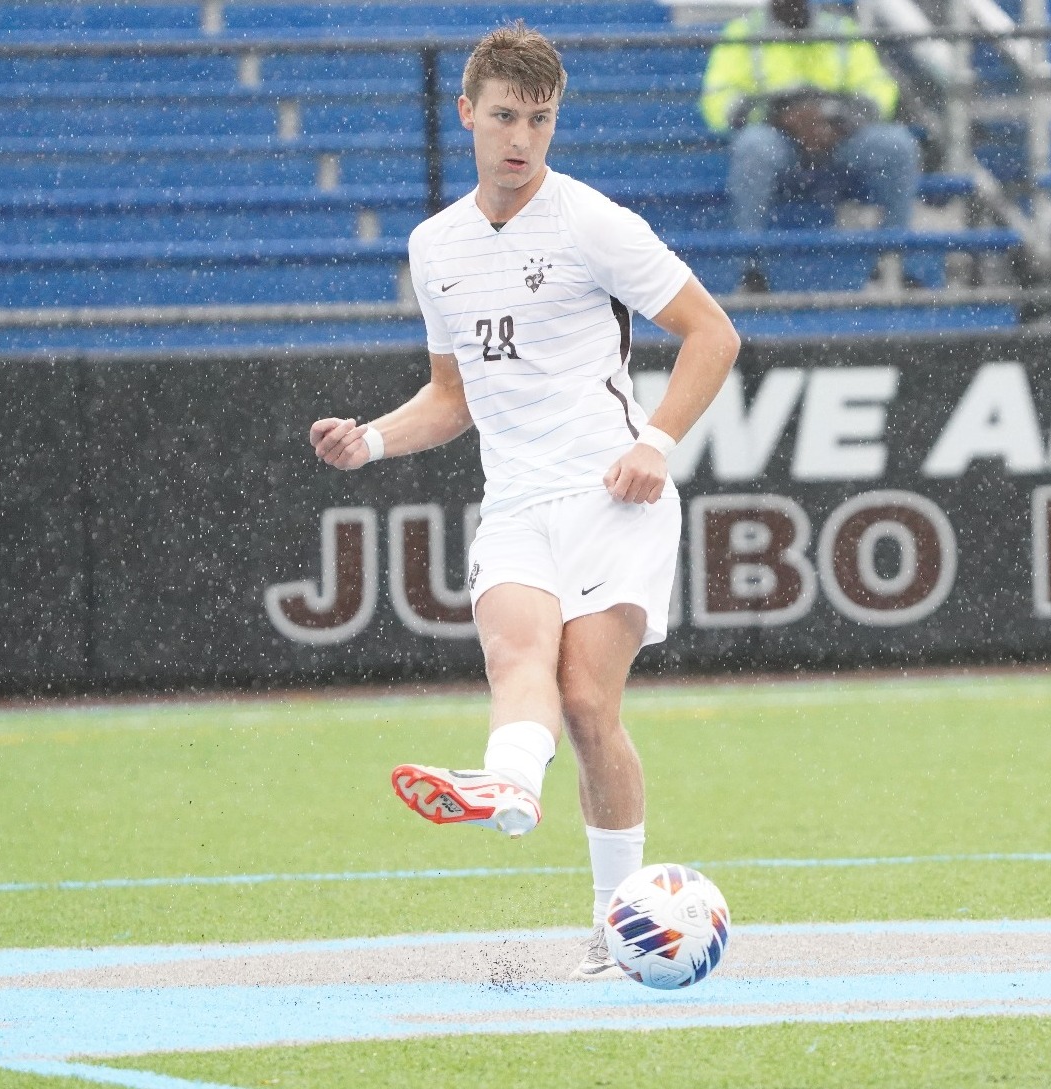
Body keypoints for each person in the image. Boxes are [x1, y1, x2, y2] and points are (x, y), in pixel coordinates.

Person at [306, 23, 739, 980]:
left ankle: (607, 927)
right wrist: (370, 439)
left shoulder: (592, 222)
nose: (521, 138)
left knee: (585, 702)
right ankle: (506, 784)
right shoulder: (435, 246)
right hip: (514, 502)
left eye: (539, 120)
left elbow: (713, 334)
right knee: (516, 656)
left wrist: (655, 444)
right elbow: (451, 397)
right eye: (505, 116)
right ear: (467, 113)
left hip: (611, 496)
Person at [701, 0, 920, 247]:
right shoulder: (742, 33)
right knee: (753, 147)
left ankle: (894, 252)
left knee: (897, 145)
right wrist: (775, 116)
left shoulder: (842, 29)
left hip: (840, 136)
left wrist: (841, 119)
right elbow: (718, 98)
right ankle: (749, 256)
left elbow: (877, 86)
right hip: (776, 138)